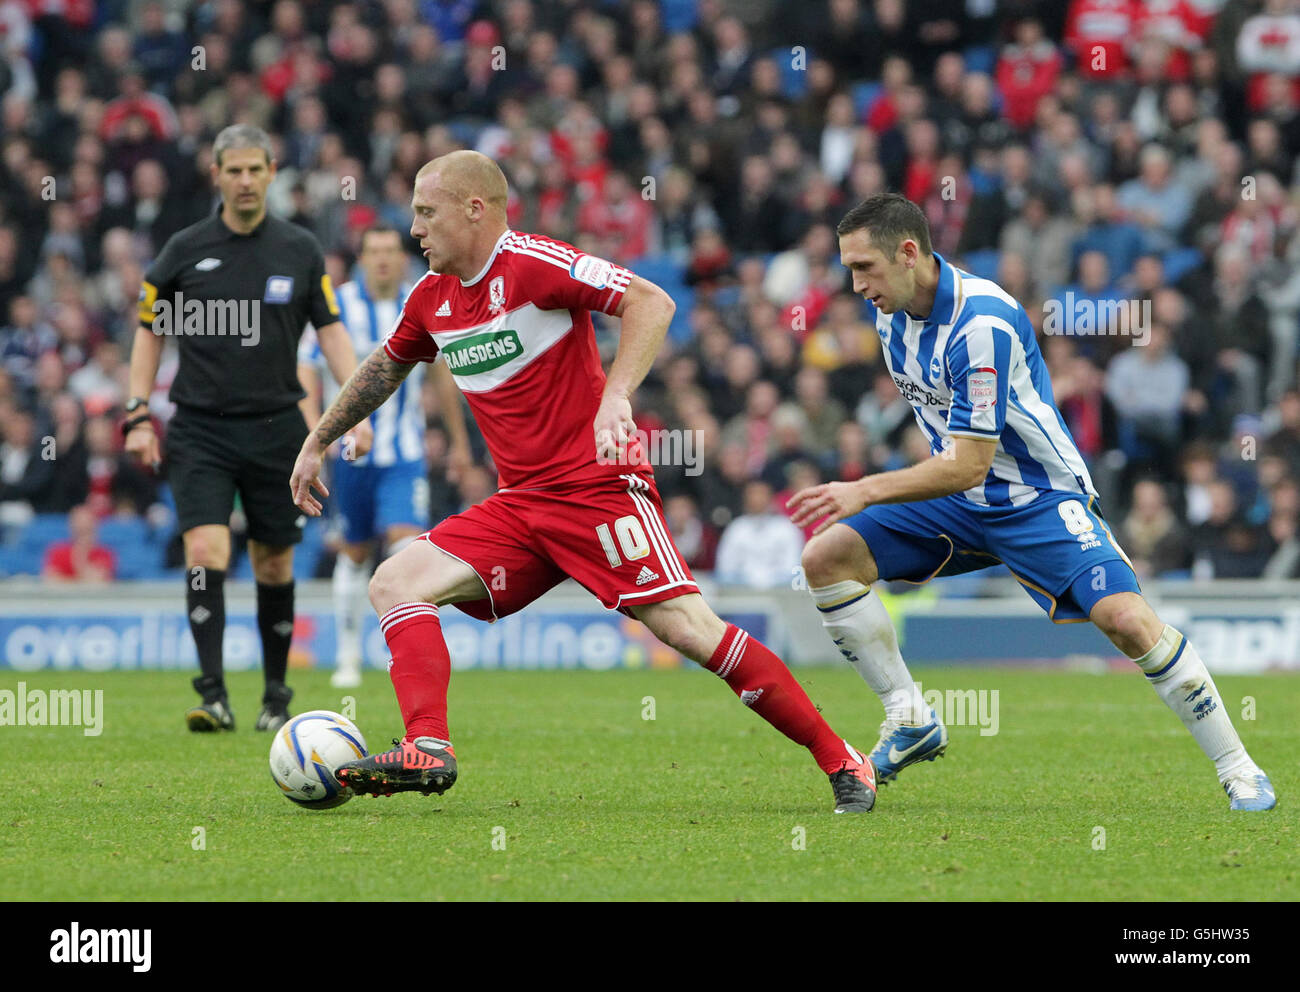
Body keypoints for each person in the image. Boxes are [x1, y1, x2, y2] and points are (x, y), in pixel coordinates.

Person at [290, 150, 878, 813]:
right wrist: (319, 437)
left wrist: (615, 395)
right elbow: (384, 367)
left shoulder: (536, 265)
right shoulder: (431, 299)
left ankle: (842, 758)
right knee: (394, 581)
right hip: (521, 505)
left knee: (688, 629)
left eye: (427, 214)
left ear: (474, 209)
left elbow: (649, 302)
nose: (415, 231)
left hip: (597, 489)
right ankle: (428, 745)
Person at [788, 192, 1275, 812]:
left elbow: (971, 461)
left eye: (865, 268)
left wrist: (864, 488)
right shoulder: (889, 316)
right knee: (826, 558)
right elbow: (949, 441)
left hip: (1036, 495)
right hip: (958, 501)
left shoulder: (981, 323)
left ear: (909, 253)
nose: (855, 285)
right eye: (850, 269)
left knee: (1127, 621)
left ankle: (1240, 769)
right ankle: (909, 717)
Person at [125, 124, 372, 733]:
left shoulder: (300, 249)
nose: (243, 180)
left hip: (278, 428)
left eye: (254, 170)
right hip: (200, 430)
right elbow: (149, 332)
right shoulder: (183, 250)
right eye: (232, 170)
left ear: (270, 172)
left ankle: (274, 697)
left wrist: (355, 410)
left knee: (272, 564)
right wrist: (136, 414)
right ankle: (212, 693)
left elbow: (332, 333)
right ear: (216, 175)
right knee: (206, 549)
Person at [297, 225, 472, 689]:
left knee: (405, 547)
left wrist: (458, 443)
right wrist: (320, 434)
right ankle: (350, 655)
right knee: (353, 554)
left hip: (405, 454)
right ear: (362, 259)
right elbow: (307, 372)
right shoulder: (339, 306)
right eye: (372, 251)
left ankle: (408, 654)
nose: (381, 260)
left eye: (389, 252)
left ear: (401, 258)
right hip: (350, 454)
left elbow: (442, 378)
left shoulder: (423, 301)